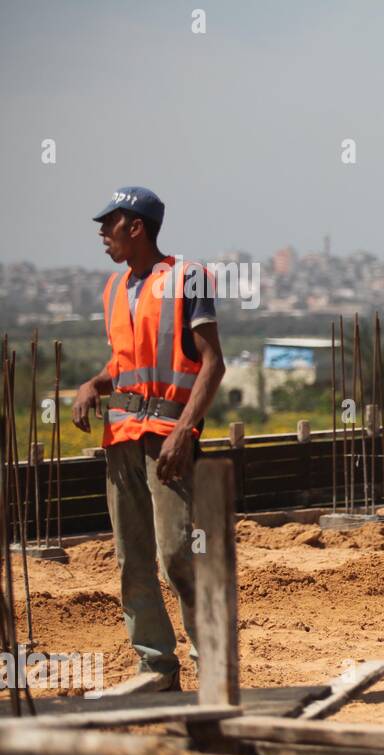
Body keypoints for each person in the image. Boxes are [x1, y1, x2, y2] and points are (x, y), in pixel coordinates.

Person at [71, 187, 226, 690]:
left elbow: (213, 363)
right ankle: (156, 665)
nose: (102, 232)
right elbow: (125, 364)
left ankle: (213, 662)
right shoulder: (115, 289)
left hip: (167, 439)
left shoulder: (188, 278)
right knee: (131, 558)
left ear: (136, 227)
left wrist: (185, 431)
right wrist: (94, 384)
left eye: (110, 223)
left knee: (178, 553)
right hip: (121, 436)